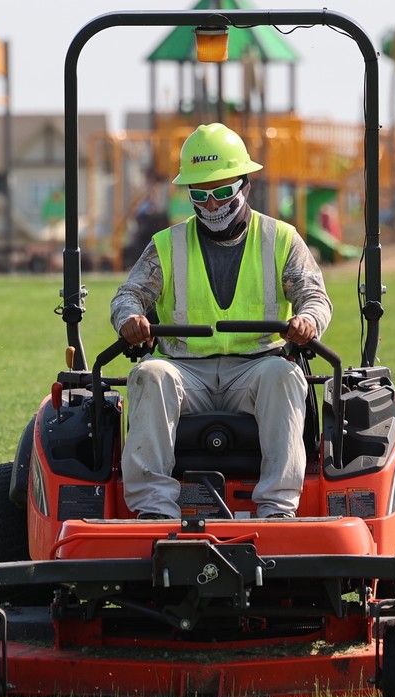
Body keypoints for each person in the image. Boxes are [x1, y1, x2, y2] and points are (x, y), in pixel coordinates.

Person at [110, 123, 333, 520]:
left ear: (245, 185)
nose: (211, 204)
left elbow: (314, 297)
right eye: (200, 194)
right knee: (150, 373)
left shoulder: (281, 239)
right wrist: (129, 318)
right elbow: (128, 295)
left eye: (221, 192)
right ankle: (154, 510)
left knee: (284, 375)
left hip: (257, 368)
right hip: (185, 372)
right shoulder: (166, 245)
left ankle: (277, 509)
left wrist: (307, 320)